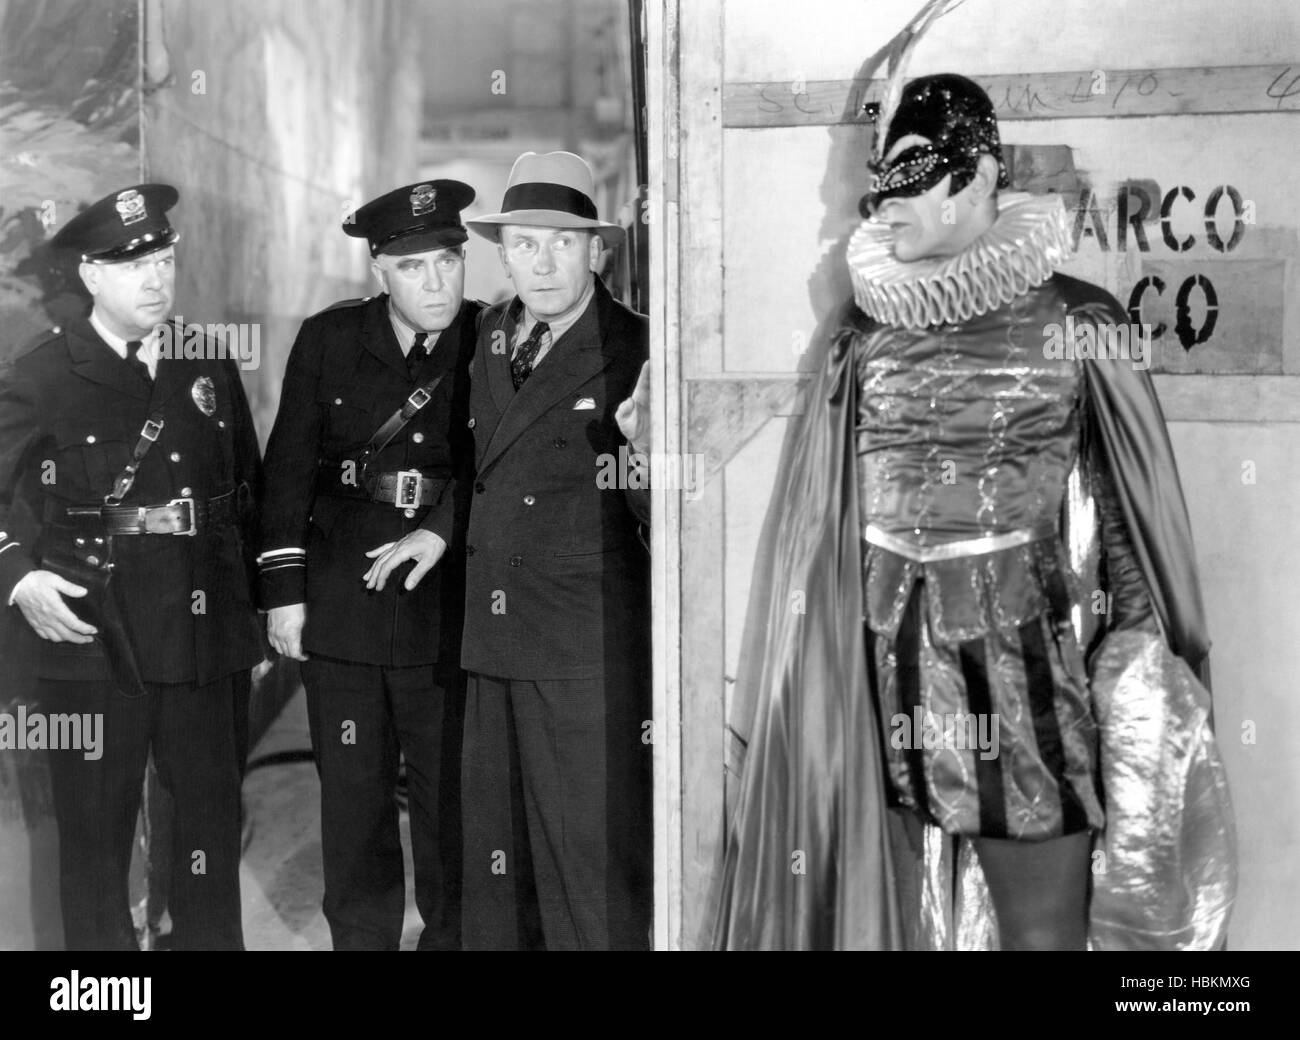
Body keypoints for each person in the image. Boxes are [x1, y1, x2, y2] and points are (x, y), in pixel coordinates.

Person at [713, 72, 1236, 951]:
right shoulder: (861, 332)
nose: (885, 201)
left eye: (914, 173)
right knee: (891, 926)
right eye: (881, 179)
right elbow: (824, 523)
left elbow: (1132, 524)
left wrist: (1137, 672)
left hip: (1018, 670)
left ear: (982, 177)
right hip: (876, 674)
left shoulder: (1081, 320)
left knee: (1039, 938)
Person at [365, 151, 652, 950]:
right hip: (488, 640)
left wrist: (644, 452)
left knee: (584, 861)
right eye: (525, 244)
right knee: (495, 858)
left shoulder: (638, 348)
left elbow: (664, 516)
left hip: (580, 646)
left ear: (596, 250)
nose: (544, 262)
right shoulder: (489, 333)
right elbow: (481, 467)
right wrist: (438, 524)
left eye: (563, 244)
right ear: (504, 253)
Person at [0, 183, 262, 950]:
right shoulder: (44, 376)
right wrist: (17, 575)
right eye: (131, 264)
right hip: (93, 641)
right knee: (92, 843)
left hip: (204, 638)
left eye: (163, 258)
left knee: (209, 832)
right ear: (89, 277)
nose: (155, 278)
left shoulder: (204, 359)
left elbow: (246, 488)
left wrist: (265, 606)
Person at [257, 181, 482, 950]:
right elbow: (286, 470)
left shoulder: (496, 337)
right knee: (353, 806)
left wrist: (445, 527)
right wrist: (283, 596)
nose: (437, 282)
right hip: (344, 604)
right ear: (379, 270)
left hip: (448, 609)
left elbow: (507, 472)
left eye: (448, 261)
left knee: (450, 805)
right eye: (414, 267)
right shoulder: (328, 340)